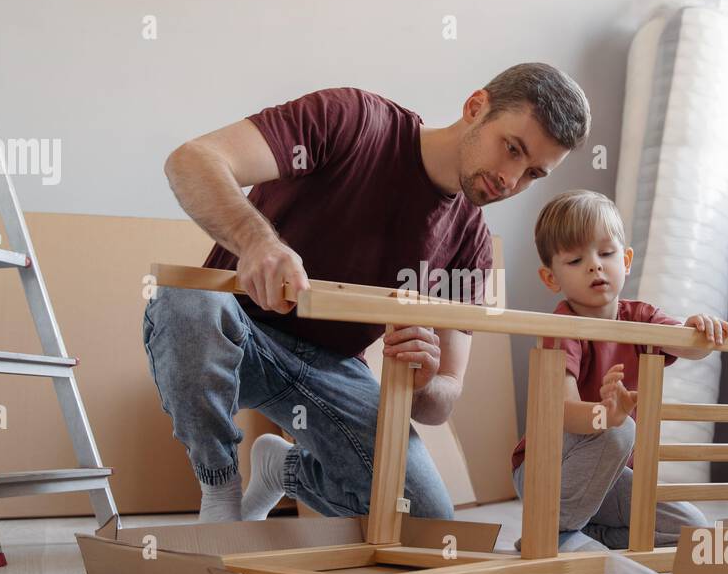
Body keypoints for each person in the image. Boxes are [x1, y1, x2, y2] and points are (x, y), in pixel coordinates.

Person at [145, 64, 589, 521]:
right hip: (234, 333)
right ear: (476, 107)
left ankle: (282, 470)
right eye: (512, 149)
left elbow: (444, 398)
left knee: (425, 519)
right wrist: (258, 243)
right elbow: (192, 160)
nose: (511, 180)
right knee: (184, 297)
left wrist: (424, 382)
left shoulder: (471, 243)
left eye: (533, 172)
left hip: (330, 370)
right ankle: (220, 489)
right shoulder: (354, 121)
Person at [509, 189, 728, 551]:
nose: (595, 265)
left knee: (692, 528)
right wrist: (605, 415)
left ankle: (581, 532)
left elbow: (683, 344)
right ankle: (548, 530)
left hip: (610, 475)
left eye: (607, 253)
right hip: (547, 470)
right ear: (551, 278)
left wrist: (699, 329)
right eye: (575, 260)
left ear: (626, 260)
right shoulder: (562, 326)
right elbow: (563, 411)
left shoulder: (641, 317)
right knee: (618, 431)